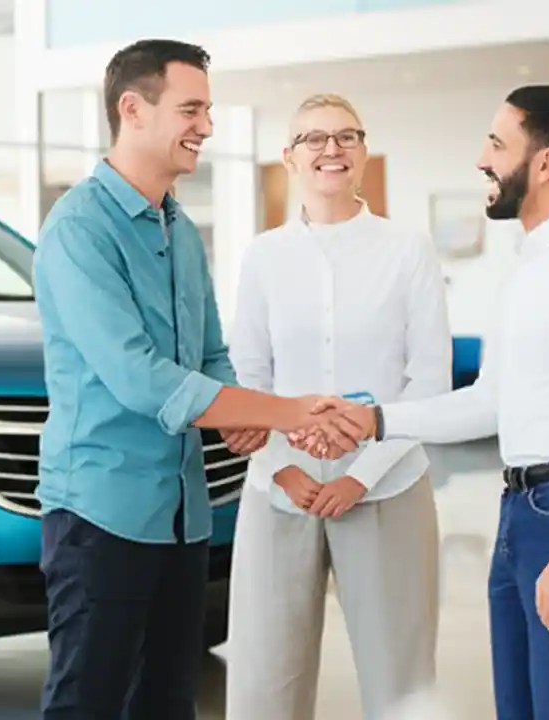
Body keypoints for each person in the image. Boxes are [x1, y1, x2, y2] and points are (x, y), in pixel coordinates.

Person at [294, 85, 549, 720]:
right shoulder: (531, 267)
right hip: (523, 511)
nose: (482, 160)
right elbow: (491, 401)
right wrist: (375, 419)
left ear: (546, 162)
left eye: (498, 143)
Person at [31, 39, 360, 720]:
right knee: (86, 704)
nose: (206, 126)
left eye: (207, 110)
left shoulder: (180, 228)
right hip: (100, 515)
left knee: (168, 703)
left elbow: (210, 352)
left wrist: (241, 408)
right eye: (192, 108)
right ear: (133, 109)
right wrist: (283, 412)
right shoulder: (78, 230)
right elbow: (139, 378)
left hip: (182, 518)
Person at [225, 93, 451, 720]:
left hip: (387, 486)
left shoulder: (408, 250)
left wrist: (359, 476)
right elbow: (250, 377)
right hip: (278, 489)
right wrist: (283, 468)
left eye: (346, 137)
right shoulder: (264, 256)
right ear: (288, 157)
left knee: (399, 679)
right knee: (265, 680)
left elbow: (427, 380)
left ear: (364, 150)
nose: (332, 149)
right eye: (315, 139)